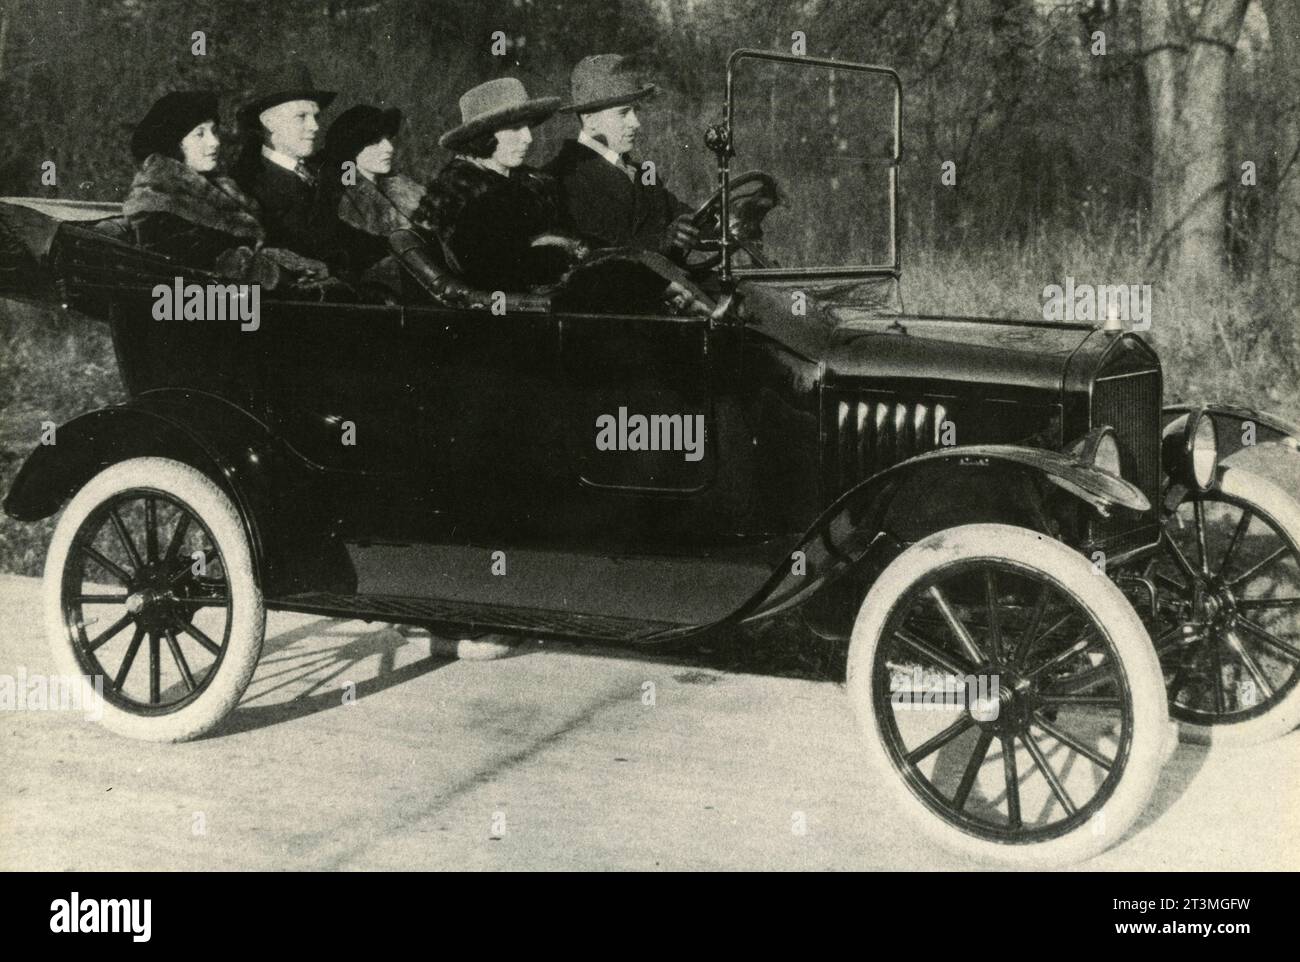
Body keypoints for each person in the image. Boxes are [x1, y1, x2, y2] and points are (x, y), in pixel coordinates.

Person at [122, 91, 327, 286]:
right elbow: (198, 262)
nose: (215, 143)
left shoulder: (222, 189)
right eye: (200, 134)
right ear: (173, 144)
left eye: (214, 132)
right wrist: (277, 275)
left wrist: (295, 265)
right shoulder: (156, 201)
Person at [412, 77, 582, 292]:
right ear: (484, 136)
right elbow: (490, 276)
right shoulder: (457, 196)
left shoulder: (536, 184)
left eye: (528, 127)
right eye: (515, 128)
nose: (528, 138)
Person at [232, 63, 387, 272]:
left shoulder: (327, 172)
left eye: (316, 116)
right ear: (269, 122)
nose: (314, 126)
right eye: (301, 117)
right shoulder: (246, 183)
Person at [543, 54, 699, 260]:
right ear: (590, 121)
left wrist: (727, 220)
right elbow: (597, 251)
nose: (635, 123)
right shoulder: (561, 178)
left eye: (635, 111)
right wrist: (662, 242)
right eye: (623, 113)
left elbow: (683, 216)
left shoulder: (642, 173)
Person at [319, 105, 425, 239]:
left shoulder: (405, 187)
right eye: (375, 142)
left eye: (388, 139)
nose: (390, 148)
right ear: (352, 150)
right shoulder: (346, 203)